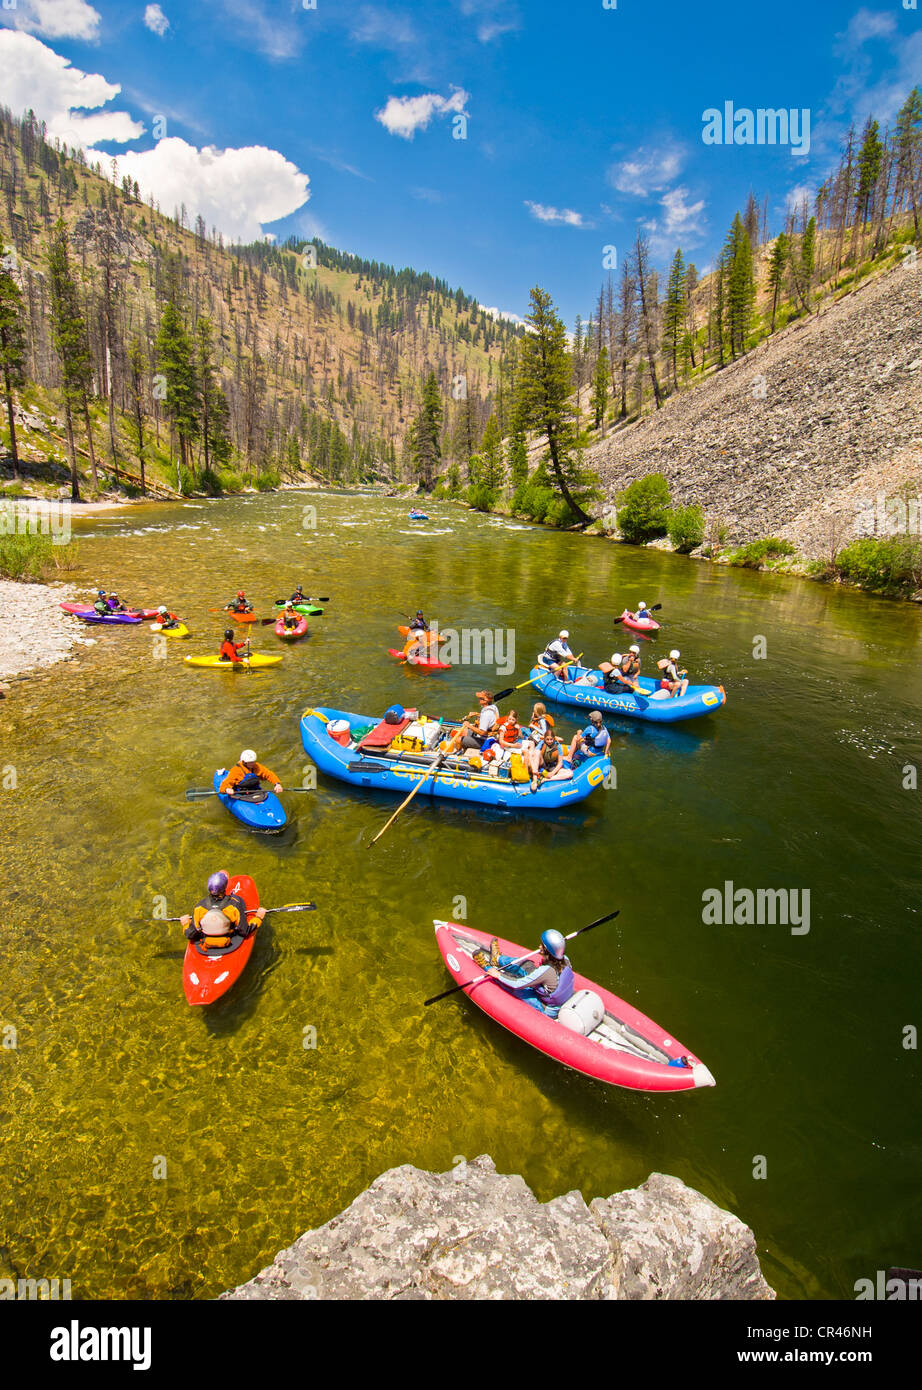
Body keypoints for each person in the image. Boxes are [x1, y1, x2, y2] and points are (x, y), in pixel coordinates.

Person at [475, 928, 575, 1018]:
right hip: (547, 987)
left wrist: (498, 975)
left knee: (513, 984)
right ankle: (496, 959)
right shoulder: (565, 960)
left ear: (548, 951)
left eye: (542, 946)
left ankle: (487, 967)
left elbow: (516, 984)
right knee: (526, 964)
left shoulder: (545, 971)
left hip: (545, 1006)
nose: (539, 946)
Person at [180, 870, 266, 947]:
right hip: (228, 939)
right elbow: (245, 931)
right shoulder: (233, 905)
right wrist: (258, 917)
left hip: (206, 941)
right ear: (225, 887)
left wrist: (185, 923)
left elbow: (190, 934)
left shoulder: (199, 907)